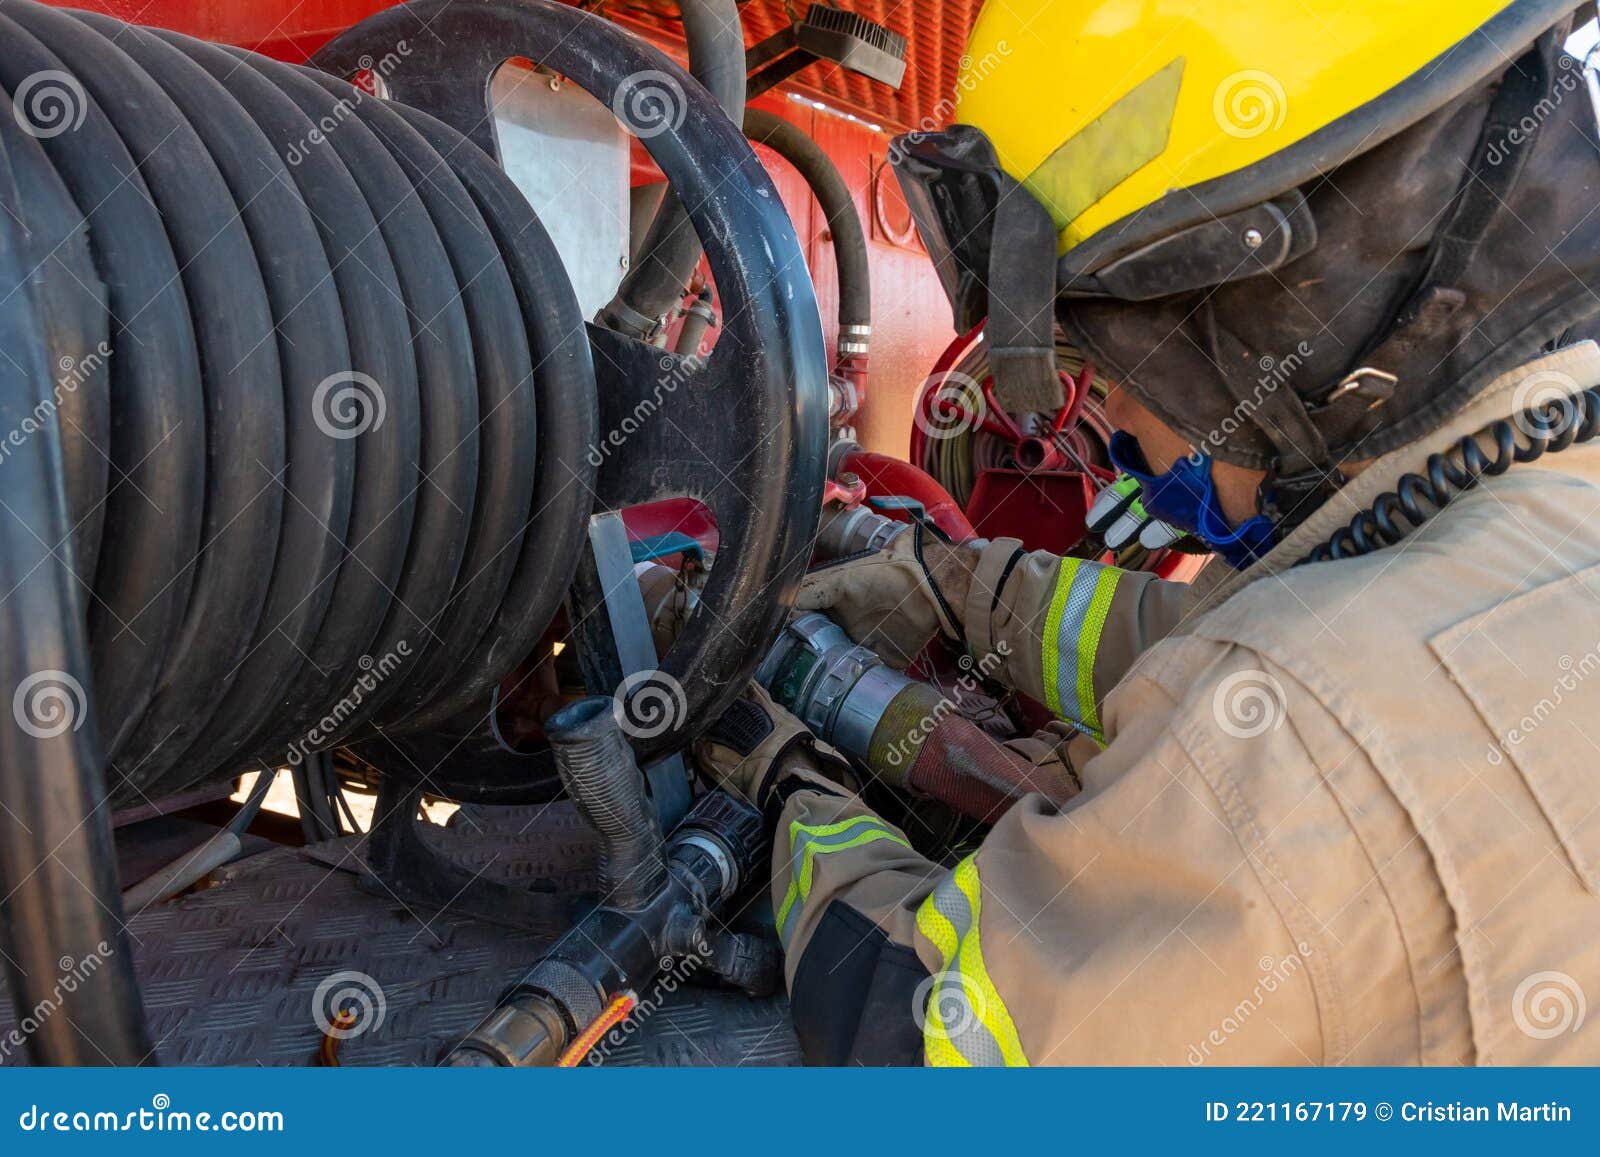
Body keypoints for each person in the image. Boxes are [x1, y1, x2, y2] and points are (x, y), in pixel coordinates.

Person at [695, 0, 1600, 1066]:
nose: (1109, 419)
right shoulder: (1517, 506)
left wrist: (792, 786)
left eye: (1110, 359)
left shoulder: (1306, 741)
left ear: (1259, 319)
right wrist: (954, 584)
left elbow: (921, 1033)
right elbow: (1216, 636)